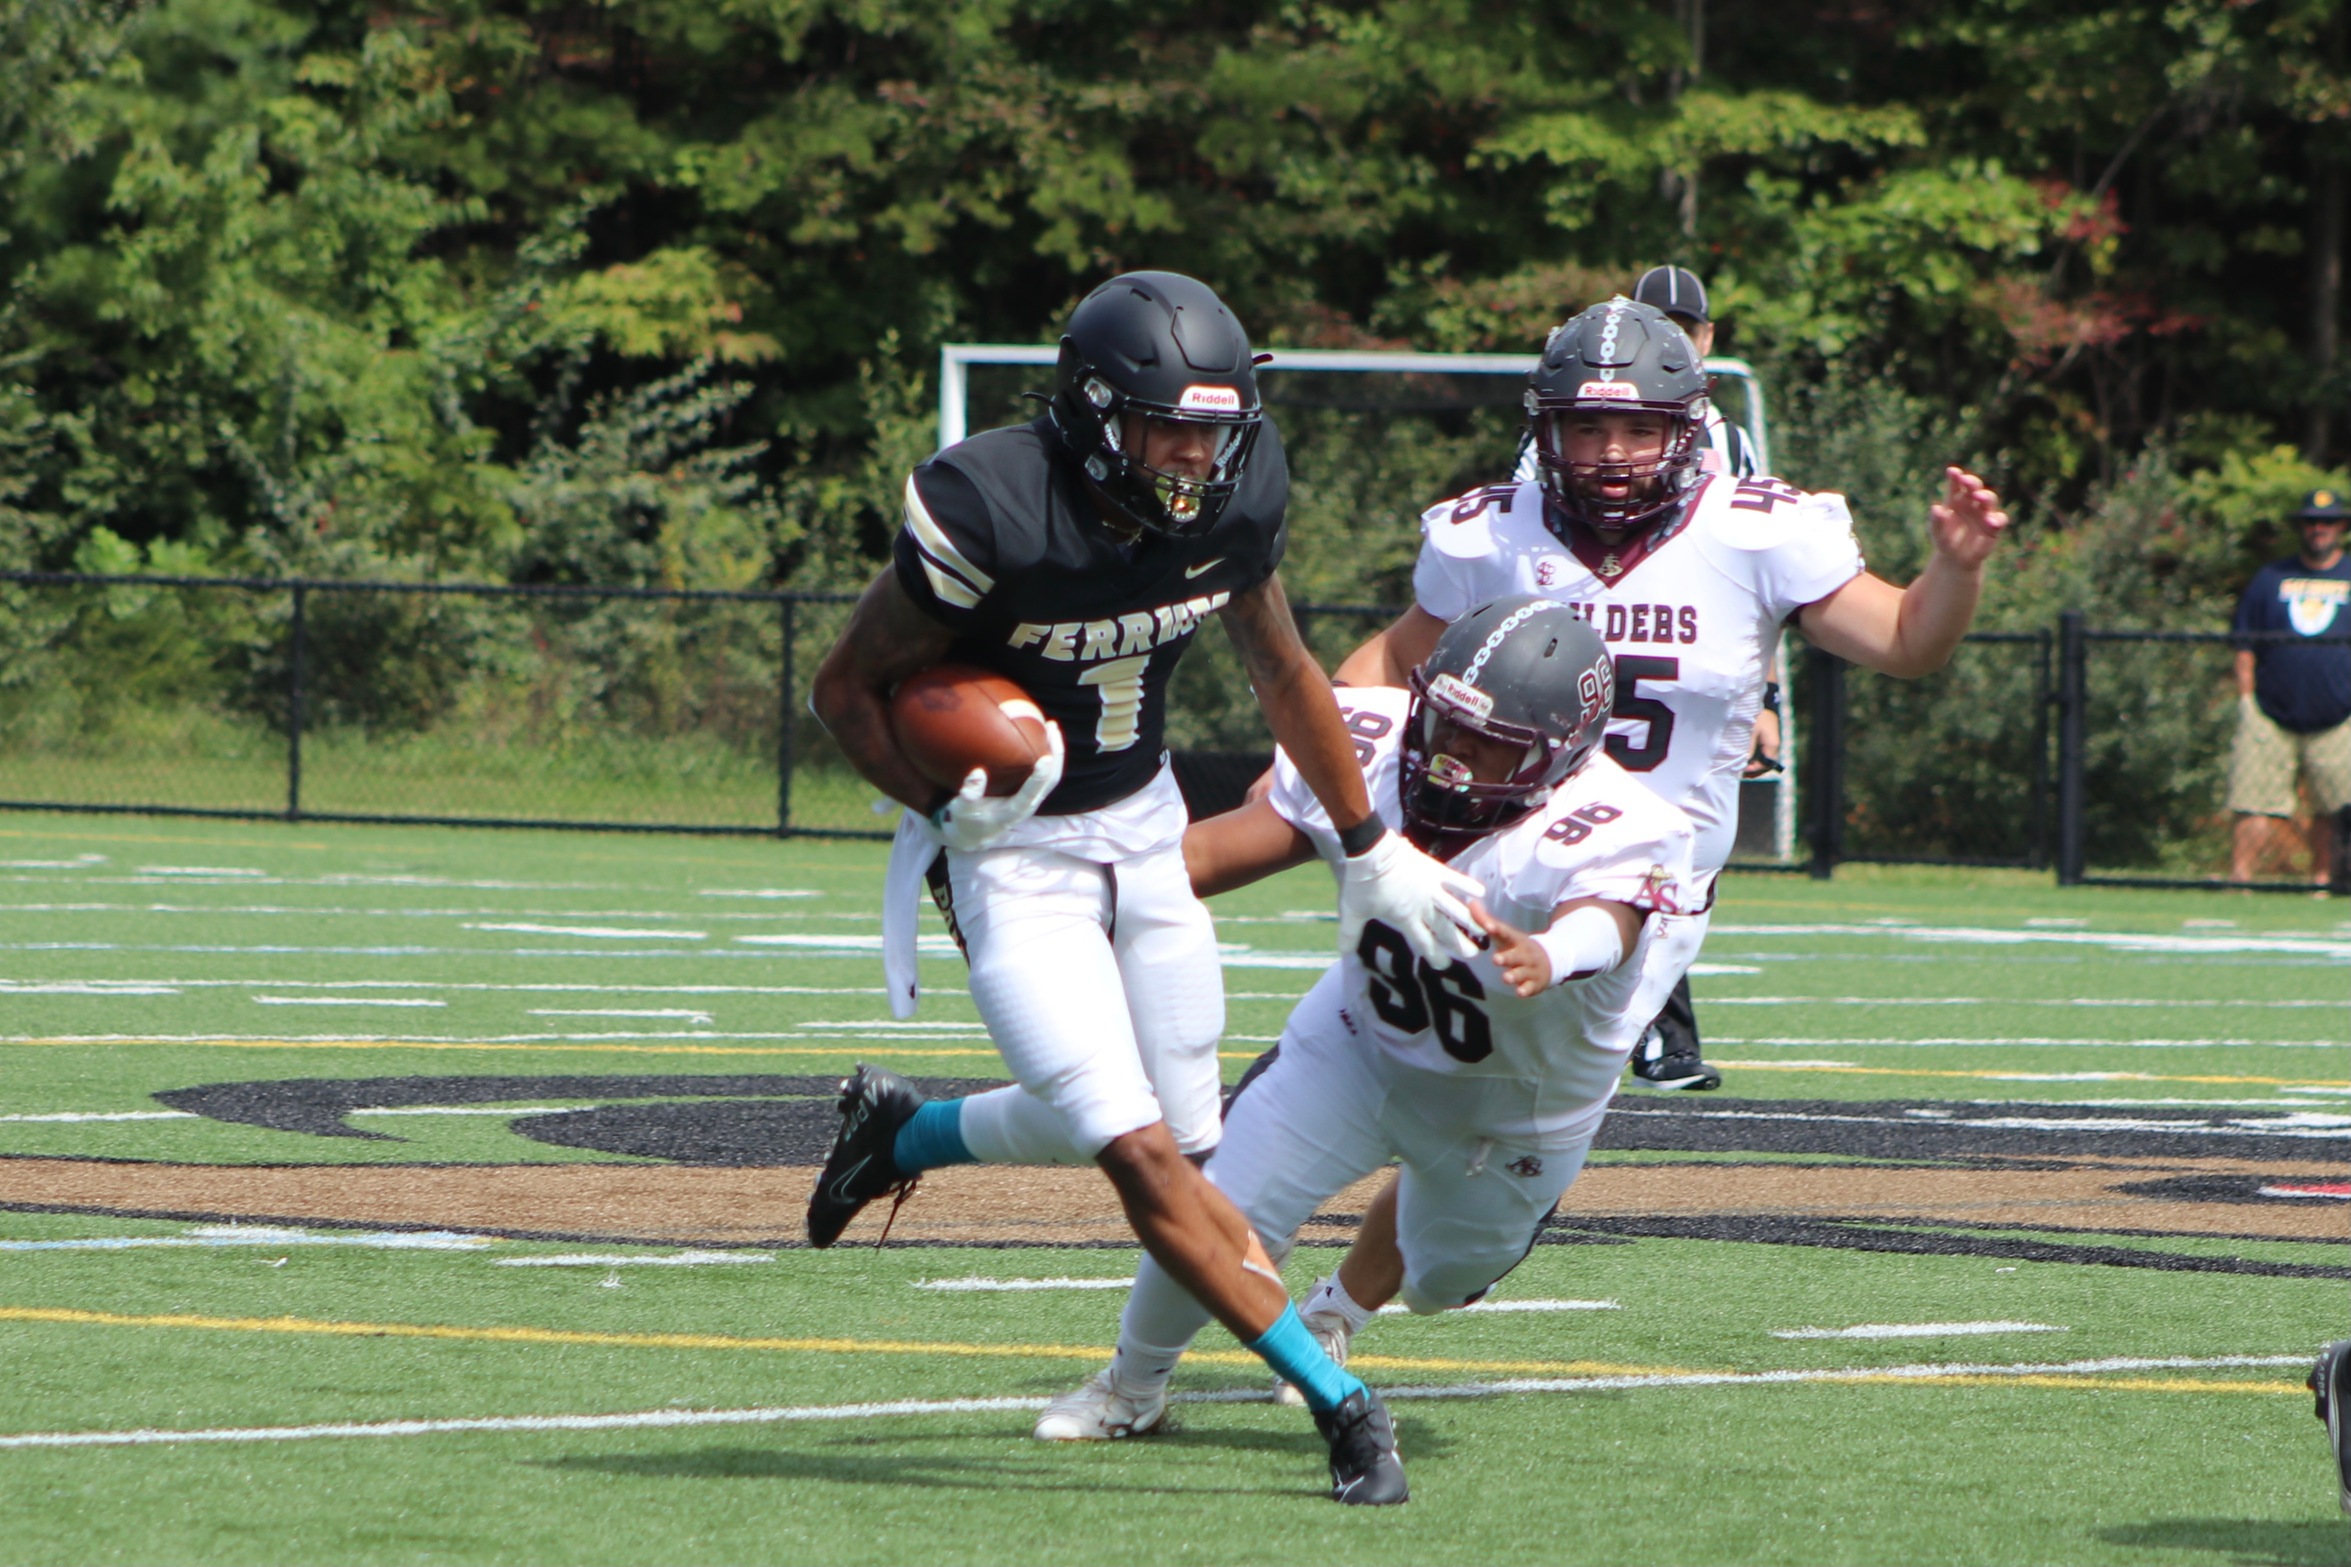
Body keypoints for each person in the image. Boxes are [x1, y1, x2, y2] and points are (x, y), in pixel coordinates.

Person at [805, 270, 1484, 1506]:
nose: (1189, 456)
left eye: (1211, 431)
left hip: (1144, 825)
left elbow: (1283, 673)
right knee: (1137, 1157)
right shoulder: (995, 503)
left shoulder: (1233, 500)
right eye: (1165, 425)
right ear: (1090, 412)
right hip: (1012, 857)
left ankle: (900, 1138)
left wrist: (1366, 843)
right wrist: (939, 804)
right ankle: (1342, 1405)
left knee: (1191, 1154)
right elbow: (845, 689)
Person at [1299, 297, 2007, 1334]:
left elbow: (1906, 641)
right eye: (1586, 428)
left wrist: (1955, 569)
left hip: (1644, 897)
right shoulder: (1492, 532)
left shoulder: (1753, 532)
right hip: (1481, 856)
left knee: (1474, 1189)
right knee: (1398, 1071)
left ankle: (1360, 1285)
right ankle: (1303, 1306)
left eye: (1636, 428)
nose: (1611, 454)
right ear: (1546, 428)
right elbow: (1381, 666)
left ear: (1687, 429)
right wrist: (1341, 783)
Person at [1033, 596, 1694, 1438]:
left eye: (1488, 742)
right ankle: (1131, 1384)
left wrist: (1551, 952)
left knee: (1440, 1282)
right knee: (1219, 1205)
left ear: (1559, 757)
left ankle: (1337, 1306)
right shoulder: (1375, 743)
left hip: (1518, 1108)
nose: (1452, 757)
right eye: (1444, 725)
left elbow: (1613, 918)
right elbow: (1222, 846)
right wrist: (1073, 889)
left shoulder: (1620, 823)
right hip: (1356, 1047)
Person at [2227, 489, 2351, 886]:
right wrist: (2247, 700)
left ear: (2341, 528)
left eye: (2328, 521)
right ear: (2301, 528)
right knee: (2252, 804)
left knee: (2332, 808)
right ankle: (2239, 881)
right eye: (2312, 522)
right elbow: (2245, 644)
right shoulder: (2271, 578)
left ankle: (2321, 883)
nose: (2319, 529)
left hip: (2337, 719)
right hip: (2271, 715)